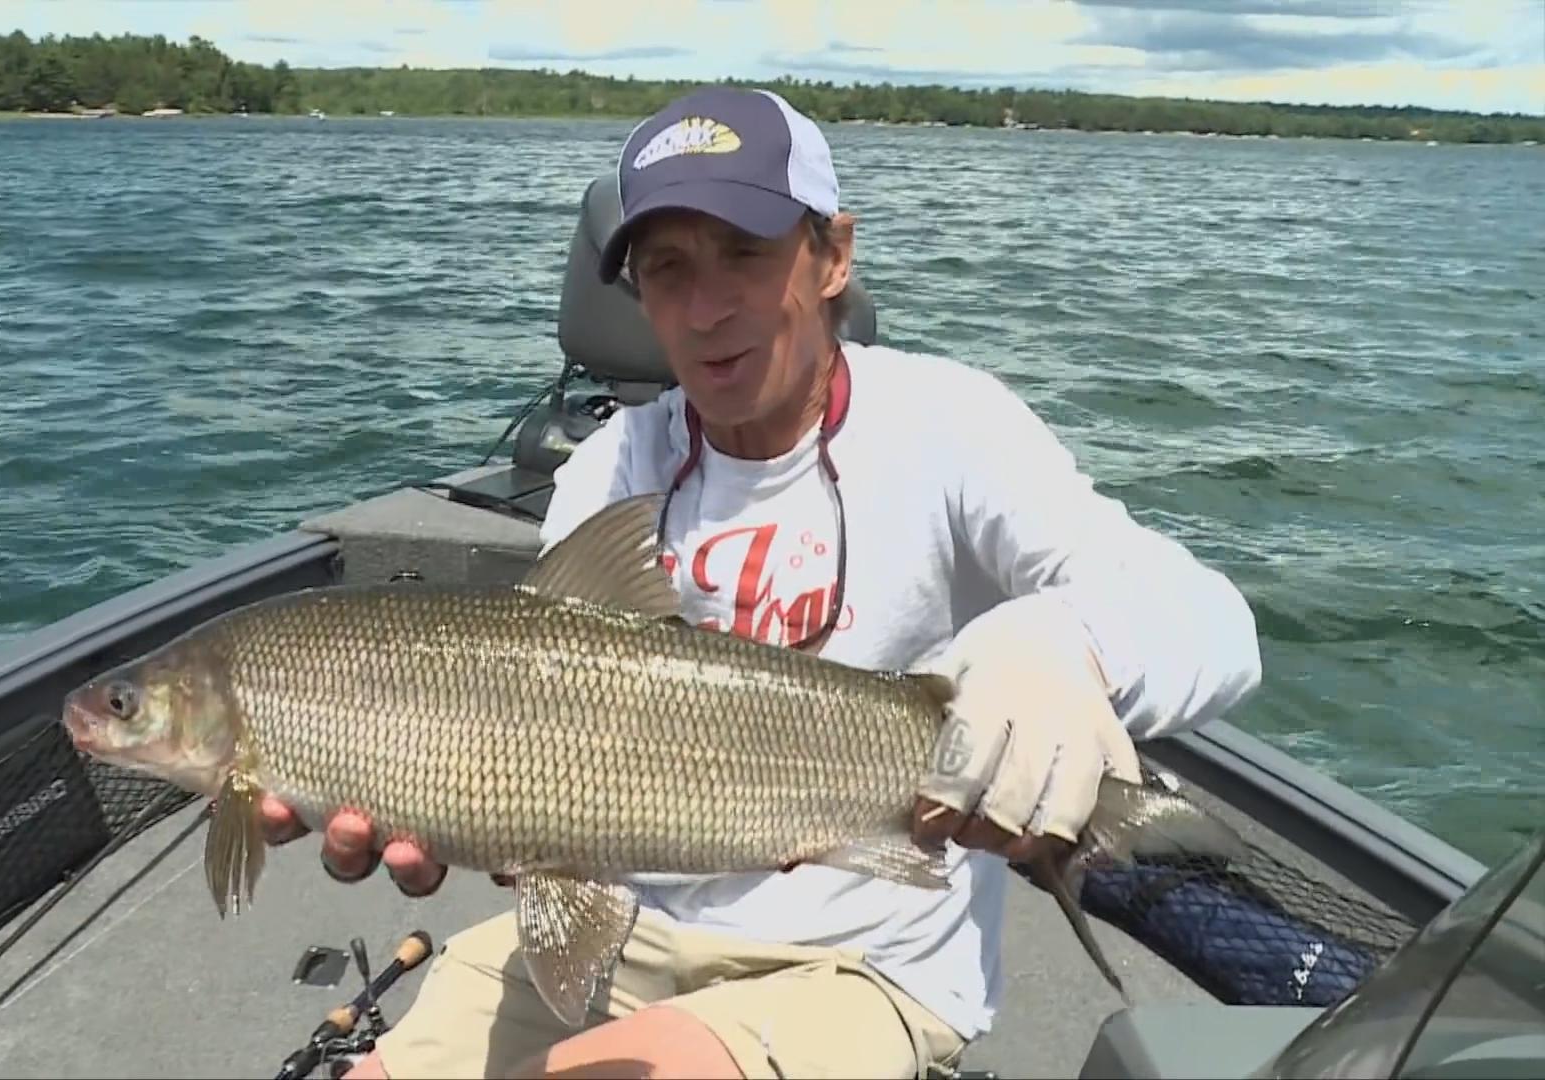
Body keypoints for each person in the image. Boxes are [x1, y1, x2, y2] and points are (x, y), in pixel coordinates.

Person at [258, 85, 1264, 1078]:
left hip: (863, 959)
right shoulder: (609, 469)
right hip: (630, 925)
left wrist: (1064, 647)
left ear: (832, 255)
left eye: (745, 253)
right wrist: (451, 799)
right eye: (667, 270)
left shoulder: (952, 427)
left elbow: (1216, 627)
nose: (704, 309)